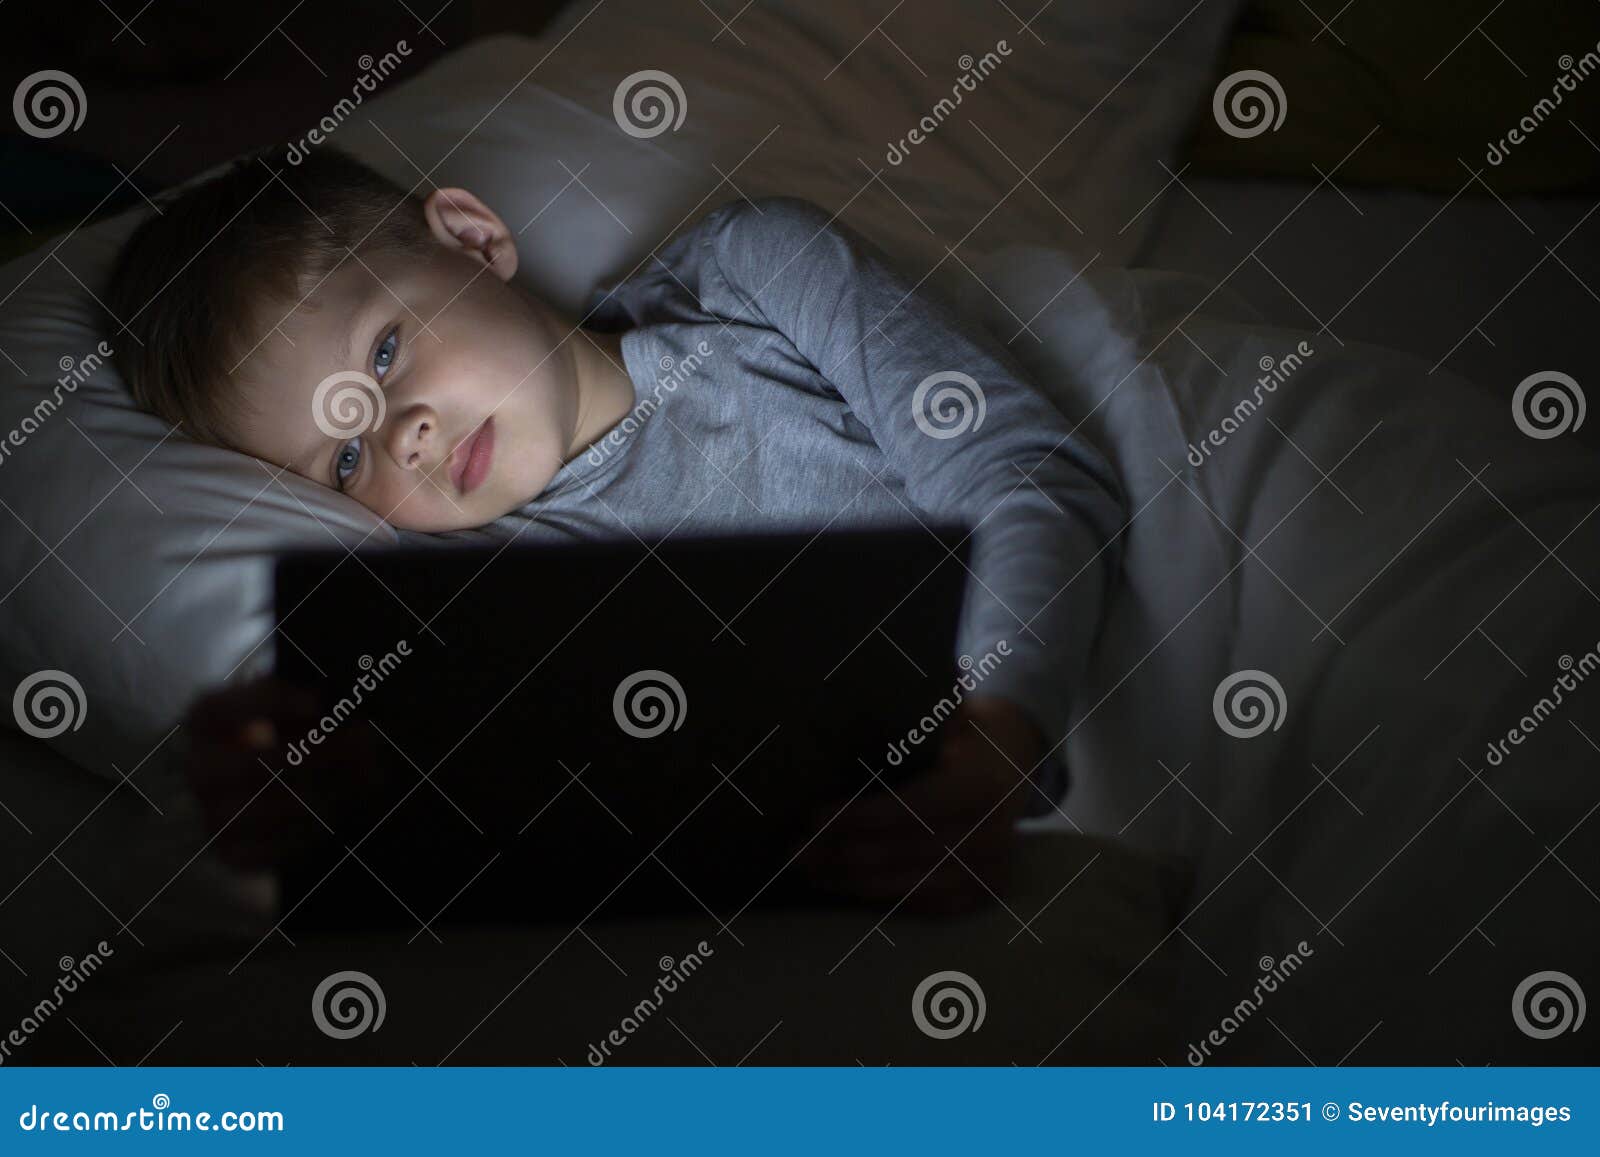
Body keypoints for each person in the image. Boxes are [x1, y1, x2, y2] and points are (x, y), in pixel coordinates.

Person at [105, 148, 1126, 912]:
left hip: (1080, 751)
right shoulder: (472, 596)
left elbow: (1024, 470)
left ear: (471, 239)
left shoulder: (750, 284)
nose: (403, 435)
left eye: (381, 358)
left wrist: (994, 740)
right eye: (344, 459)